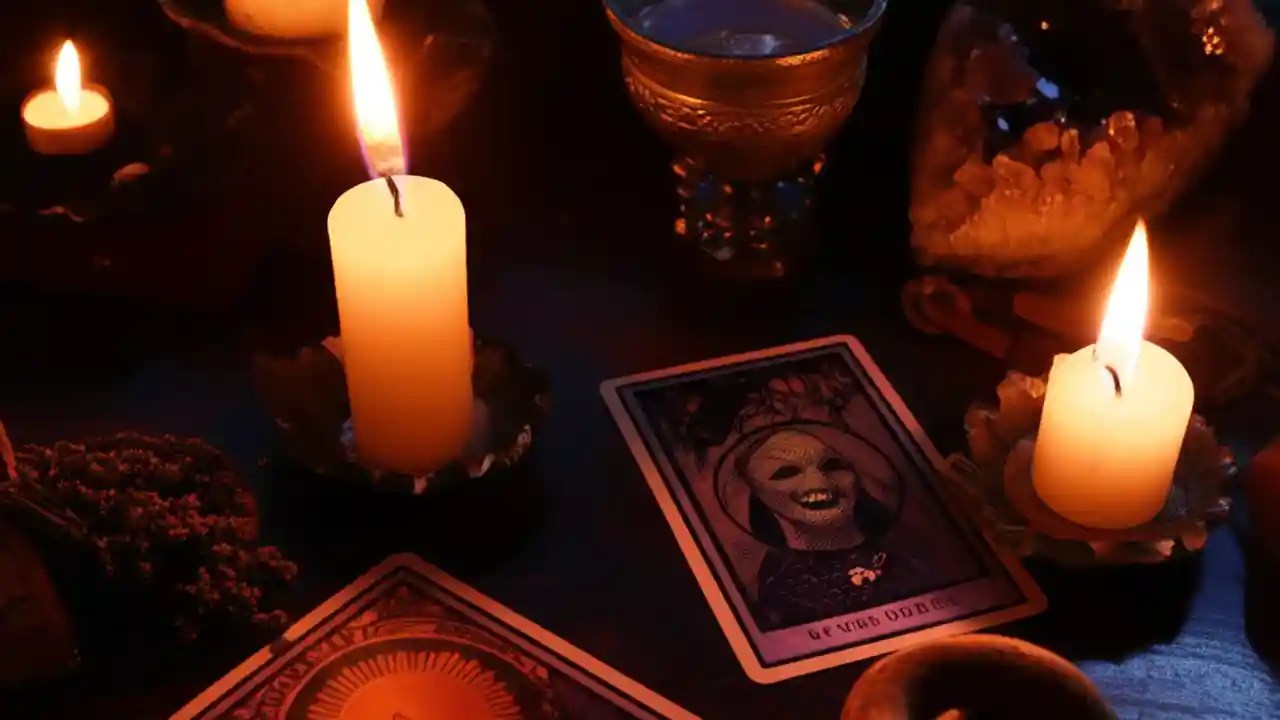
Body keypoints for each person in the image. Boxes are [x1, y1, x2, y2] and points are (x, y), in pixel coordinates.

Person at [730, 426, 922, 630]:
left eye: (832, 466)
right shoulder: (781, 584)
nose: (819, 481)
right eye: (787, 473)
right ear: (760, 495)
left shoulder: (910, 546)